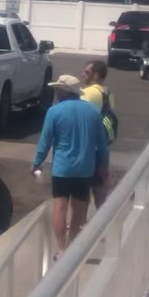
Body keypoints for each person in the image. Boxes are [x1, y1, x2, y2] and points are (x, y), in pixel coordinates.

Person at [32, 74, 110, 257]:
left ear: (63, 91)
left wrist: (36, 163)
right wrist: (104, 167)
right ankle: (73, 251)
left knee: (59, 207)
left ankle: (61, 249)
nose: (55, 92)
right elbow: (102, 144)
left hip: (62, 169)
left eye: (57, 89)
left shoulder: (54, 112)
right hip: (85, 169)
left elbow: (45, 142)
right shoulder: (92, 112)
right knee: (80, 210)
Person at [81, 60, 115, 209]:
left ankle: (81, 226)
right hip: (102, 148)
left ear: (96, 74)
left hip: (88, 148)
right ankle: (101, 226)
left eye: (87, 72)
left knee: (82, 195)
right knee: (100, 193)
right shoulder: (108, 93)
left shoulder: (88, 93)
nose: (83, 75)